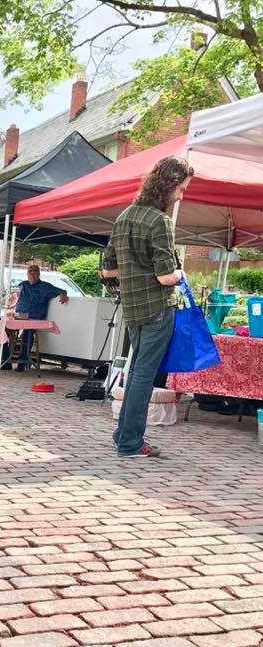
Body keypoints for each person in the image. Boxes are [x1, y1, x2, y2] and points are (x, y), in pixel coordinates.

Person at [102, 155, 194, 459]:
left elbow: (107, 271)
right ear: (168, 185)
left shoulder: (124, 216)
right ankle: (130, 442)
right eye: (181, 188)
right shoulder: (160, 221)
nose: (181, 195)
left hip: (132, 308)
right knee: (144, 375)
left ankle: (122, 436)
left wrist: (132, 277)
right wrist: (182, 273)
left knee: (136, 372)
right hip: (157, 307)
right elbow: (166, 276)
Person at [6, 265, 68, 370]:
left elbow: (62, 291)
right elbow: (14, 296)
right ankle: (5, 361)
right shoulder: (22, 284)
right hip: (19, 315)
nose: (33, 274)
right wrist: (10, 300)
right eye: (30, 272)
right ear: (27, 274)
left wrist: (62, 294)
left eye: (35, 272)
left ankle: (22, 363)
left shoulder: (45, 286)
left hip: (34, 317)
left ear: (39, 274)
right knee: (3, 329)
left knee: (28, 333)